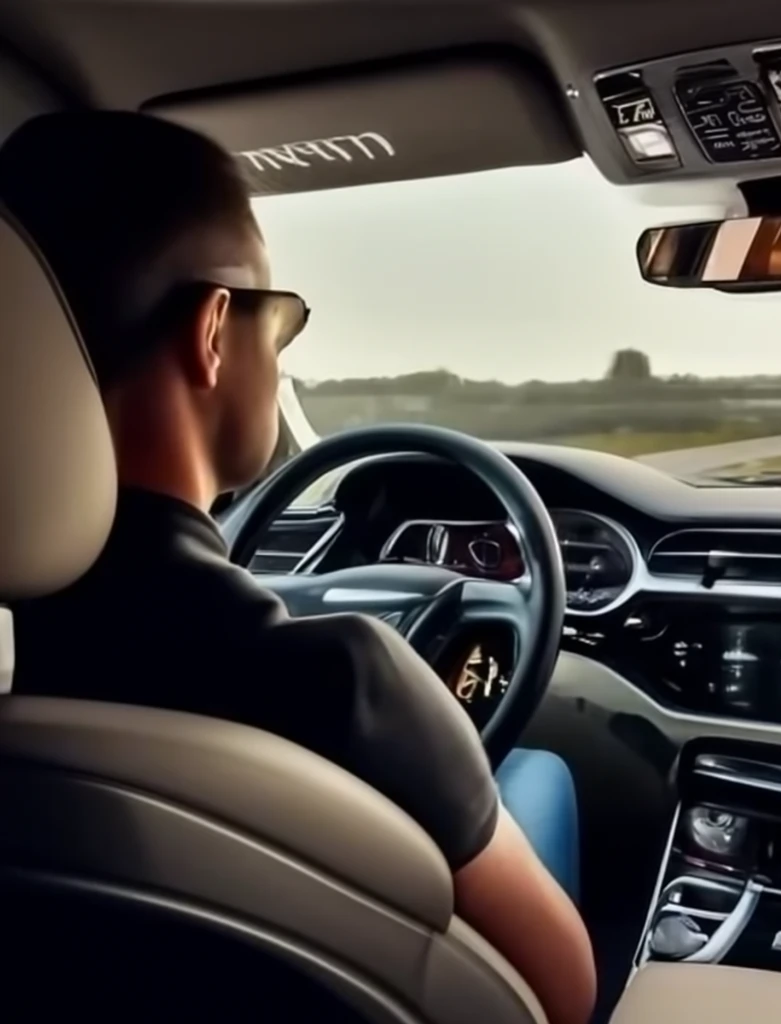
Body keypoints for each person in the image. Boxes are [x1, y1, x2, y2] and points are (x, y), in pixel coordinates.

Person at [1, 111, 596, 1024]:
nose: (276, 367)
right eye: (277, 329)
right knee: (541, 777)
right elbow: (559, 992)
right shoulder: (353, 681)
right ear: (211, 333)